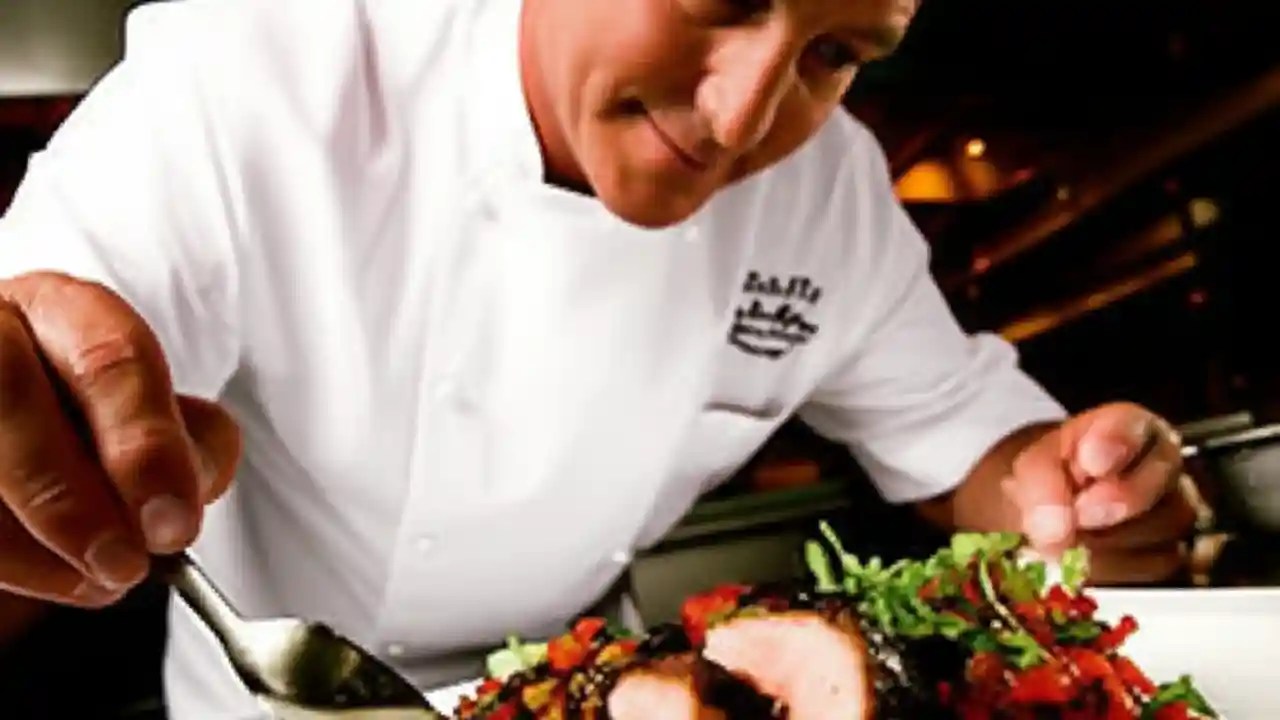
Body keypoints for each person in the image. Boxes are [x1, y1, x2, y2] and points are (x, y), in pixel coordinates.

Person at [0, 0, 1198, 715]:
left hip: (586, 696)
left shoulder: (824, 186)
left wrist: (1065, 486)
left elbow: (964, 444)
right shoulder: (262, 72)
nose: (742, 120)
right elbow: (49, 345)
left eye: (835, 51)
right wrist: (40, 415)